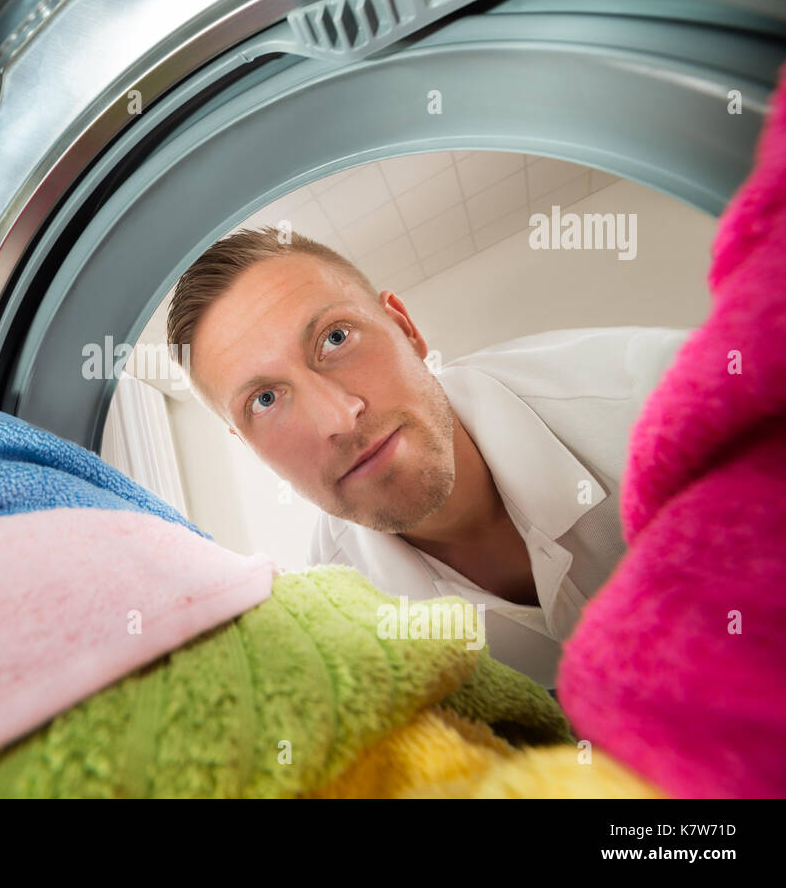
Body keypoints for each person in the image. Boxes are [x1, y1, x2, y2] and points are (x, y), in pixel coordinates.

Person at [166, 225, 689, 686]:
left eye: (336, 338)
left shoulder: (651, 399)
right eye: (265, 400)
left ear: (406, 329)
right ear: (249, 447)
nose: (337, 418)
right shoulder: (346, 632)